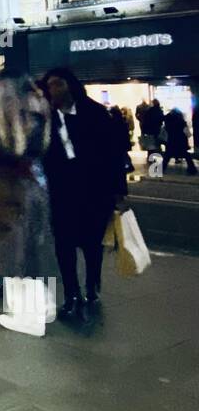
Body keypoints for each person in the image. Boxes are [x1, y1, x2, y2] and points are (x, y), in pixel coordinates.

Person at [41, 66, 127, 324]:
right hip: (61, 191)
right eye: (49, 85)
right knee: (64, 244)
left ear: (69, 85)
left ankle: (92, 285)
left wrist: (119, 192)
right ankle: (71, 293)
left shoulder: (96, 113)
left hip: (93, 190)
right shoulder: (47, 117)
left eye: (57, 84)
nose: (52, 90)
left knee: (91, 244)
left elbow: (113, 154)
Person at [0, 76, 53, 336]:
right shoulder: (40, 112)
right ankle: (42, 307)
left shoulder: (10, 116)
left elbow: (6, 155)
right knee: (31, 250)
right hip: (37, 188)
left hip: (12, 191)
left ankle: (26, 318)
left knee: (12, 253)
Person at [162, 108, 197, 174]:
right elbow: (188, 133)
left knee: (167, 155)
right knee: (186, 155)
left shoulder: (168, 121)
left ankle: (161, 169)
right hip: (181, 141)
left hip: (171, 141)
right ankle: (192, 169)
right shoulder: (181, 122)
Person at [109, 105, 134, 174]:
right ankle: (128, 166)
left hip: (118, 141)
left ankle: (128, 166)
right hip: (122, 141)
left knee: (122, 154)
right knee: (123, 154)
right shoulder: (122, 121)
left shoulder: (113, 121)